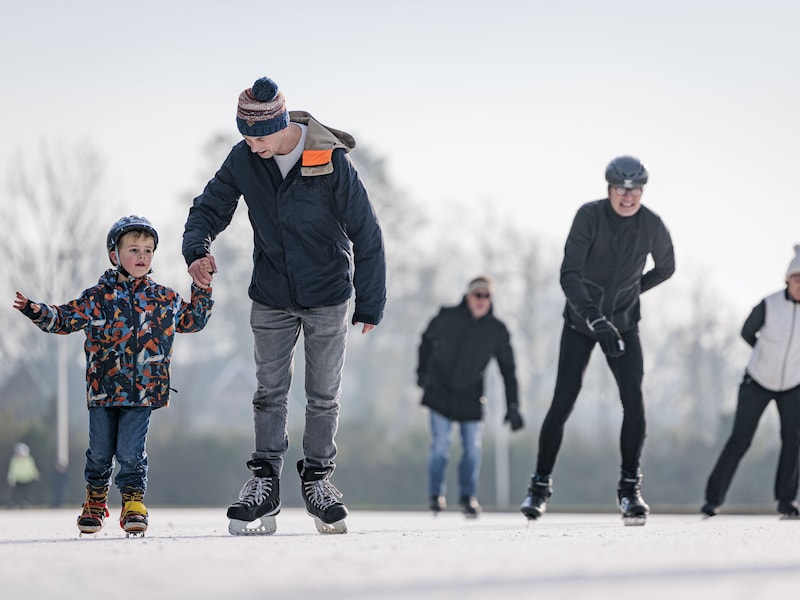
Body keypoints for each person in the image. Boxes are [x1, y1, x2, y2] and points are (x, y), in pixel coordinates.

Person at [182, 76, 386, 535]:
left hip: (328, 294)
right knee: (267, 393)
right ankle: (265, 484)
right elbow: (208, 208)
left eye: (259, 137)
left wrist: (370, 301)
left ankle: (318, 481)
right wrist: (197, 249)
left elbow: (367, 232)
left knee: (323, 395)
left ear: (281, 124)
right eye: (246, 137)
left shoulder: (328, 160)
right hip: (271, 293)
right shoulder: (244, 159)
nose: (253, 145)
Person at [13, 216, 213, 535]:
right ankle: (95, 499)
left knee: (132, 452)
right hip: (104, 391)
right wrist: (36, 310)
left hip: (144, 392)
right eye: (133, 249)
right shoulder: (98, 298)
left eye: (148, 250)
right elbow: (65, 318)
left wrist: (202, 288)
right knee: (100, 452)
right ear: (114, 255)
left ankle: (133, 502)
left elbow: (193, 321)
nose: (142, 256)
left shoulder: (163, 299)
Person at [519, 156, 675, 525]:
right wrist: (594, 316)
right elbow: (569, 274)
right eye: (621, 189)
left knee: (634, 401)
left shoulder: (651, 224)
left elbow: (666, 267)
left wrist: (632, 293)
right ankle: (539, 488)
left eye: (635, 190)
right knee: (563, 401)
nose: (628, 196)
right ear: (609, 189)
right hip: (580, 322)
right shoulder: (589, 217)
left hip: (623, 324)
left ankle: (629, 490)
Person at [701, 245, 800, 519]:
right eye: (797, 278)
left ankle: (786, 501)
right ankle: (712, 500)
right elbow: (747, 331)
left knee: (793, 440)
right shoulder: (769, 305)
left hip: (793, 384)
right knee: (740, 440)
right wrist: (763, 352)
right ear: (787, 280)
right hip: (757, 380)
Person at [417, 275, 523, 518]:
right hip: (440, 391)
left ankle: (467, 497)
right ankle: (435, 495)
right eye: (478, 295)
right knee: (441, 446)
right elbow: (425, 341)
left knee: (473, 448)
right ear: (468, 297)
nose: (481, 300)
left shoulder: (497, 330)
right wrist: (422, 373)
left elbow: (509, 370)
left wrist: (513, 406)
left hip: (470, 396)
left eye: (486, 296)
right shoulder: (447, 317)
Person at [6, 443, 40, 508]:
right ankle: (13, 503)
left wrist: (36, 475)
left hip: (27, 479)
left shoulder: (29, 459)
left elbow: (32, 468)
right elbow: (12, 470)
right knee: (16, 493)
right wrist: (11, 479)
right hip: (18, 479)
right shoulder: (14, 460)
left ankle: (25, 503)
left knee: (26, 493)